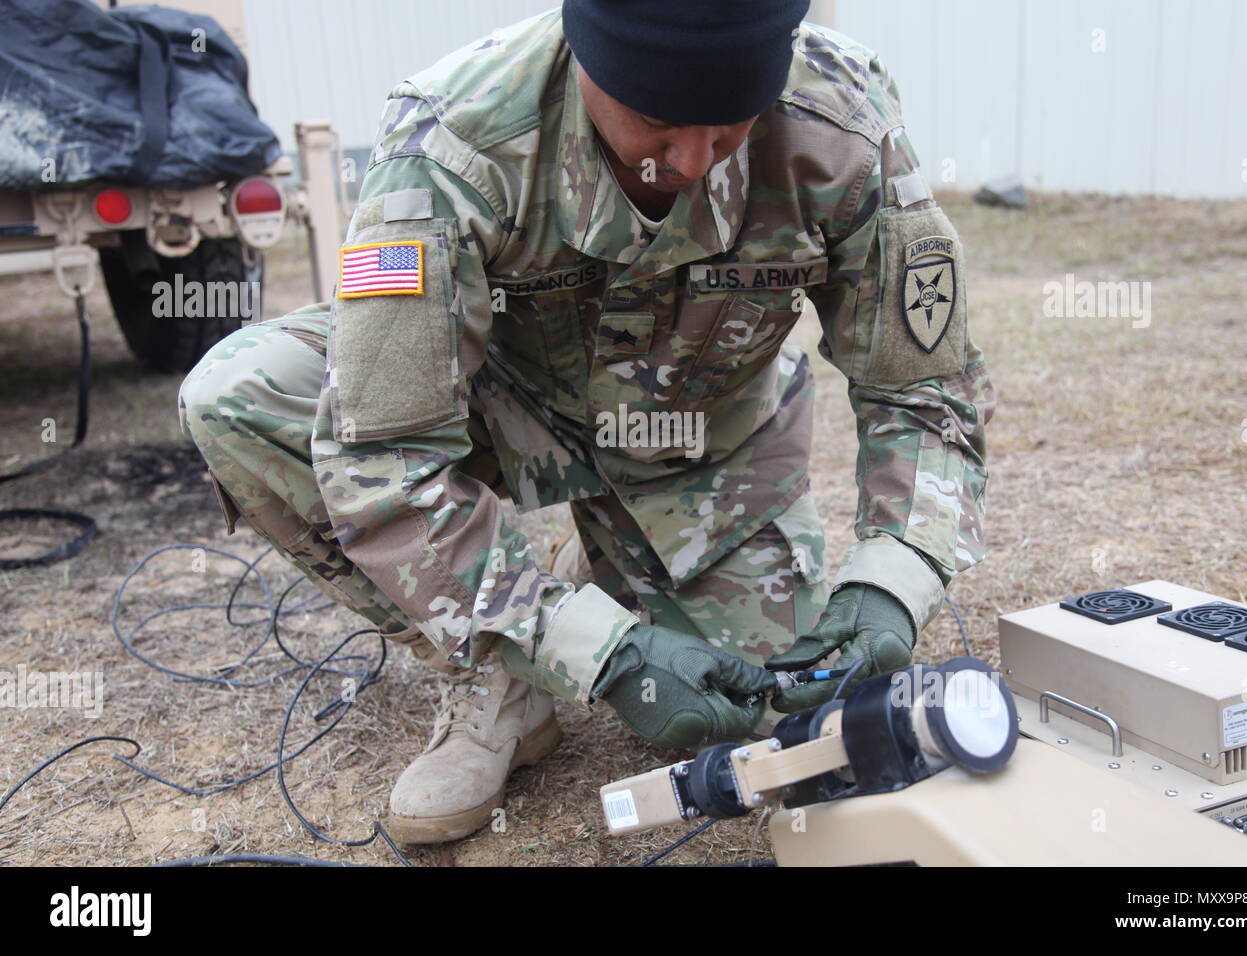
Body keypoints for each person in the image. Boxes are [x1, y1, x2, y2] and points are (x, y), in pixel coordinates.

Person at [178, 0, 994, 845]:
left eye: (728, 131)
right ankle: (495, 670)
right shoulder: (453, 140)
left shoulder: (841, 122)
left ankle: (597, 561)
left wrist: (893, 575)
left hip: (701, 443)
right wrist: (587, 647)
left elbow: (925, 387)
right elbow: (385, 459)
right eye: (657, 124)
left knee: (757, 711)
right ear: (586, 56)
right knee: (238, 393)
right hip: (496, 409)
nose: (690, 161)